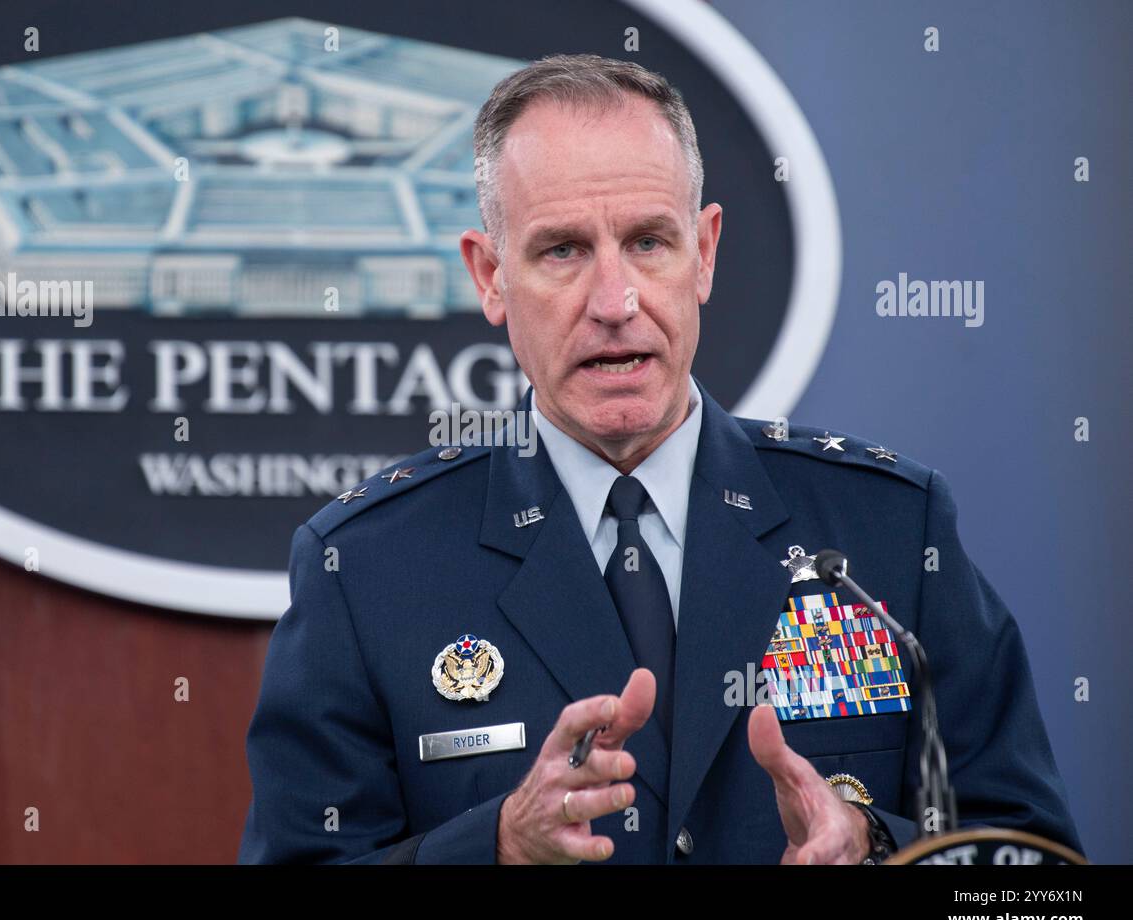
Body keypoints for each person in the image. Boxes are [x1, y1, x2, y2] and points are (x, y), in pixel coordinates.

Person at [238, 54, 1081, 864]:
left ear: (704, 253)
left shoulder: (892, 531)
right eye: (562, 250)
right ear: (490, 276)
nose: (616, 303)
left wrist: (875, 846)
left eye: (649, 241)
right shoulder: (367, 569)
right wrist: (492, 848)